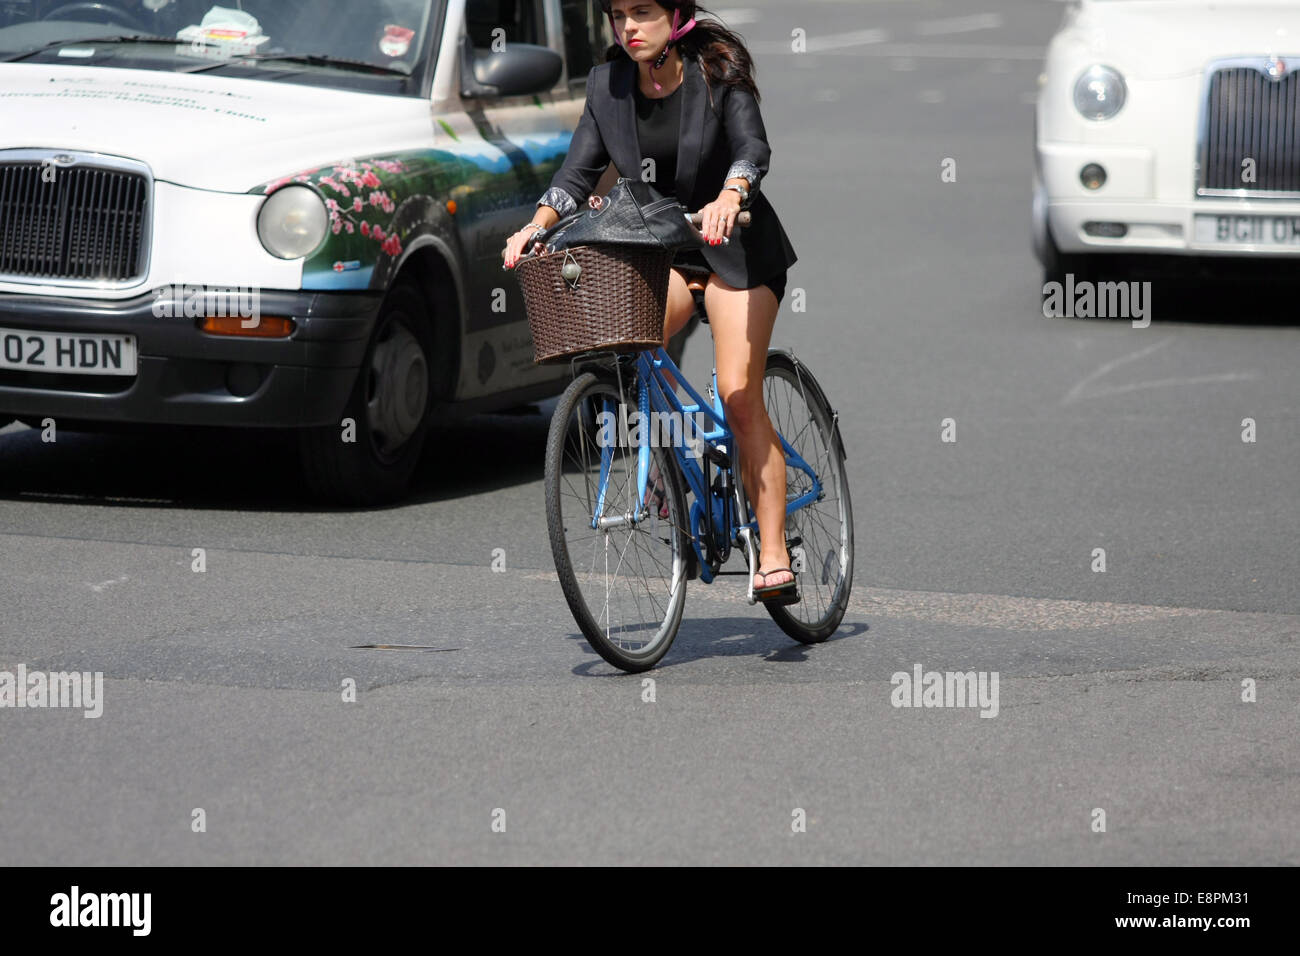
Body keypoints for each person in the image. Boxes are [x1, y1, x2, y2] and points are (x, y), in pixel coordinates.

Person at [504, 0, 799, 601]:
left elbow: (752, 149)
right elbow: (576, 175)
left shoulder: (719, 71)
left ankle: (772, 548)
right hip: (661, 248)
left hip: (735, 248)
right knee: (627, 345)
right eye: (618, 15)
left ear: (677, 14)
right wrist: (535, 226)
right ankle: (667, 464)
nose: (628, 27)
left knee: (740, 397)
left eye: (643, 12)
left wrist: (730, 194)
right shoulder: (608, 85)